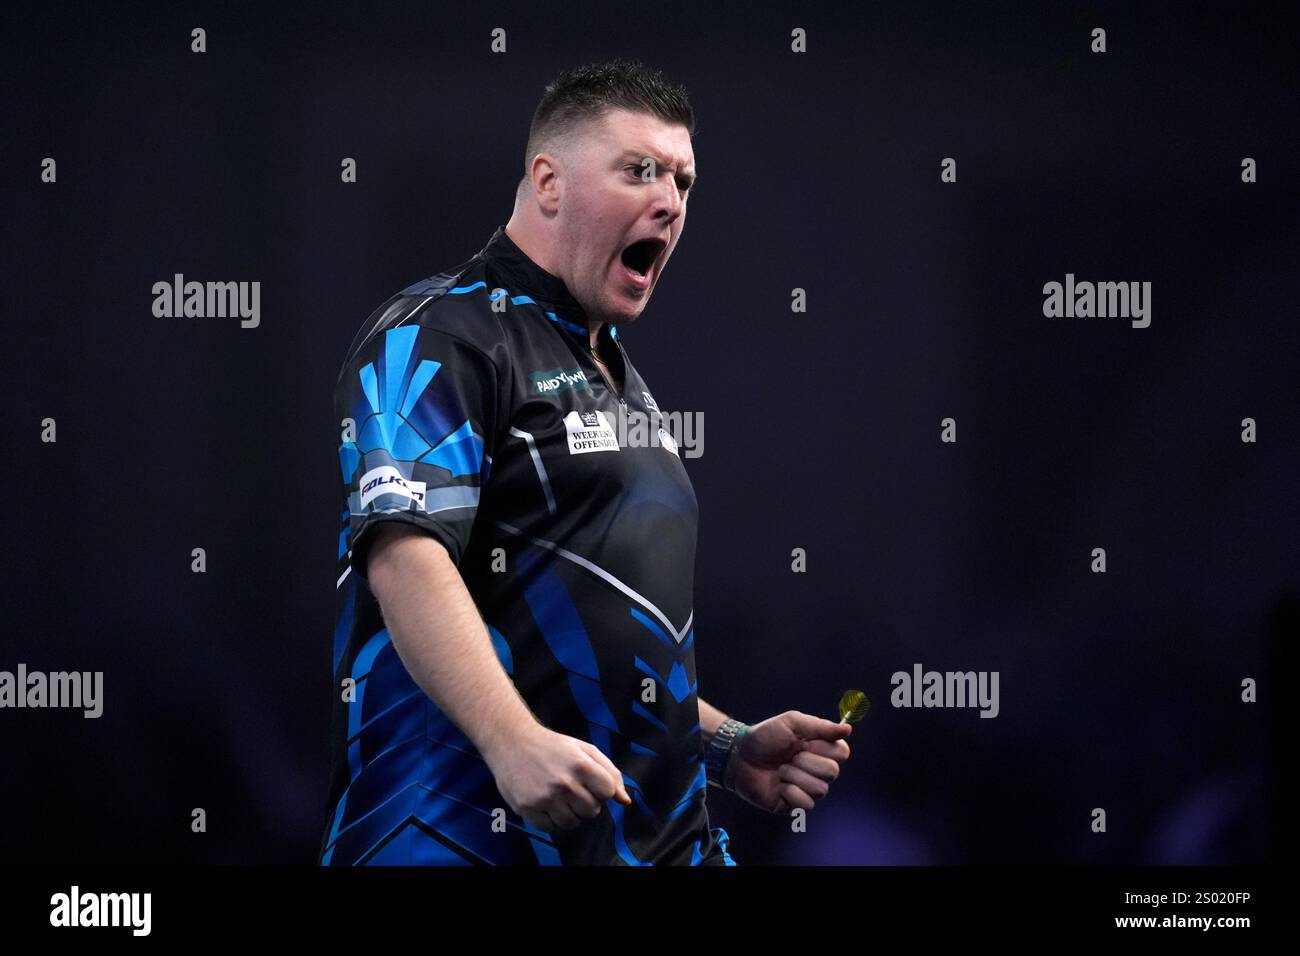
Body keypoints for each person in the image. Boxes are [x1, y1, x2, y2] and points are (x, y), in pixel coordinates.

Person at [319, 57, 852, 866]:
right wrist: (508, 740)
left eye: (683, 181)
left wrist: (727, 746)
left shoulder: (617, 376)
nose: (670, 201)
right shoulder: (439, 335)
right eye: (639, 169)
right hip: (464, 838)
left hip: (655, 844)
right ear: (549, 181)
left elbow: (587, 644)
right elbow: (405, 556)